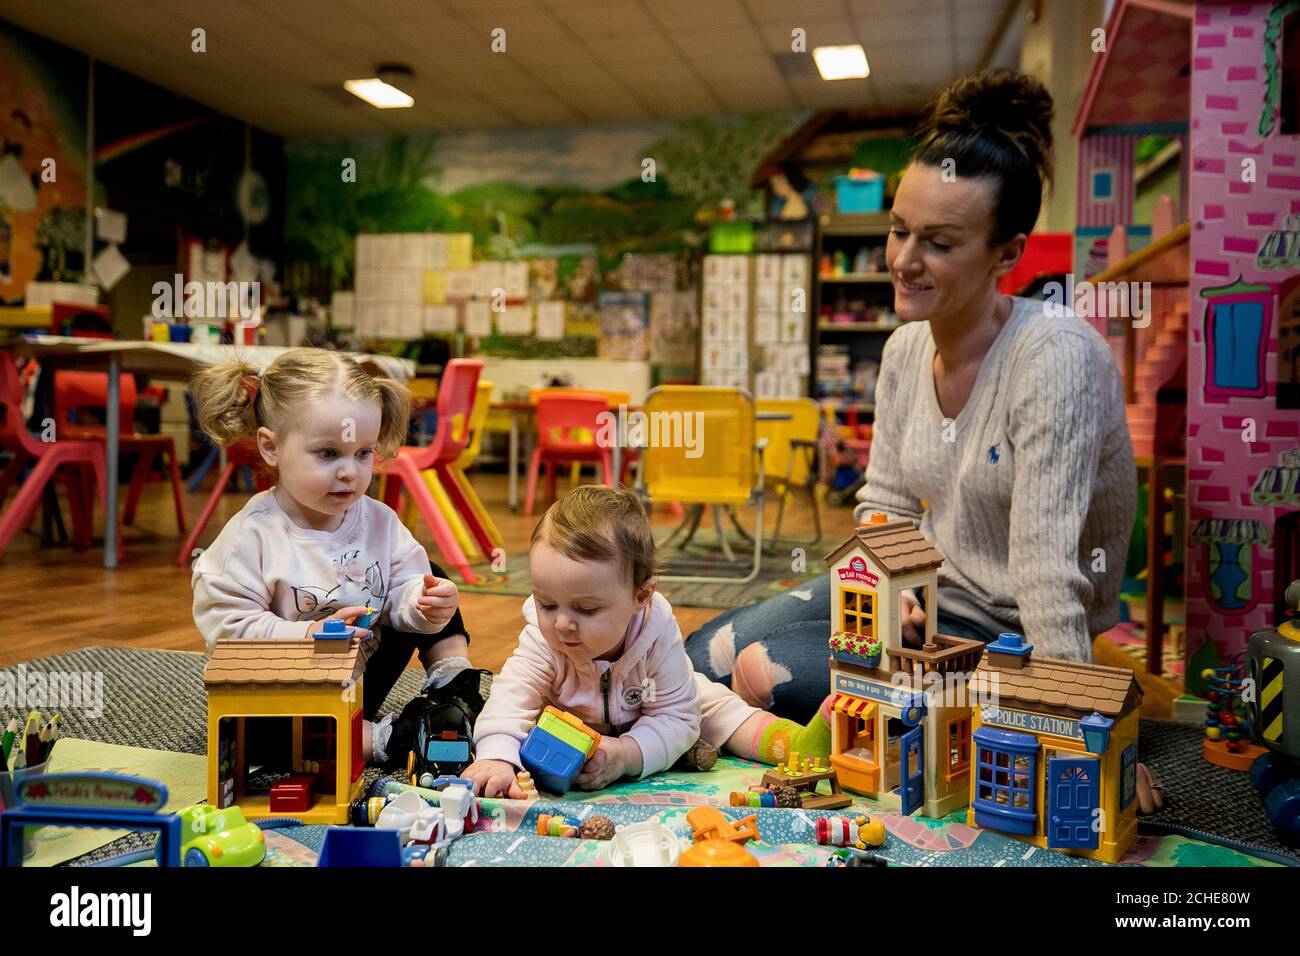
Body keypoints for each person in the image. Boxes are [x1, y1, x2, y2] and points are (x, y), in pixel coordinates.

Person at [687, 68, 1137, 723]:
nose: (903, 259)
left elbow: (1046, 572)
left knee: (769, 672)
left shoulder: (1055, 356)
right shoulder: (904, 349)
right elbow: (888, 504)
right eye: (900, 229)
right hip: (925, 599)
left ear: (1006, 252)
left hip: (1015, 637)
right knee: (705, 654)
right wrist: (888, 583)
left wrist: (1082, 731)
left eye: (939, 242)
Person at [189, 348, 486, 767]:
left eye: (363, 453)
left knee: (429, 580)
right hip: (286, 692)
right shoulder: (252, 535)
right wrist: (309, 638)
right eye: (328, 454)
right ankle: (385, 740)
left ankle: (454, 684)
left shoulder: (379, 521)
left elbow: (405, 603)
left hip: (360, 677)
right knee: (246, 738)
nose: (349, 471)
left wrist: (423, 607)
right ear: (271, 448)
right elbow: (227, 629)